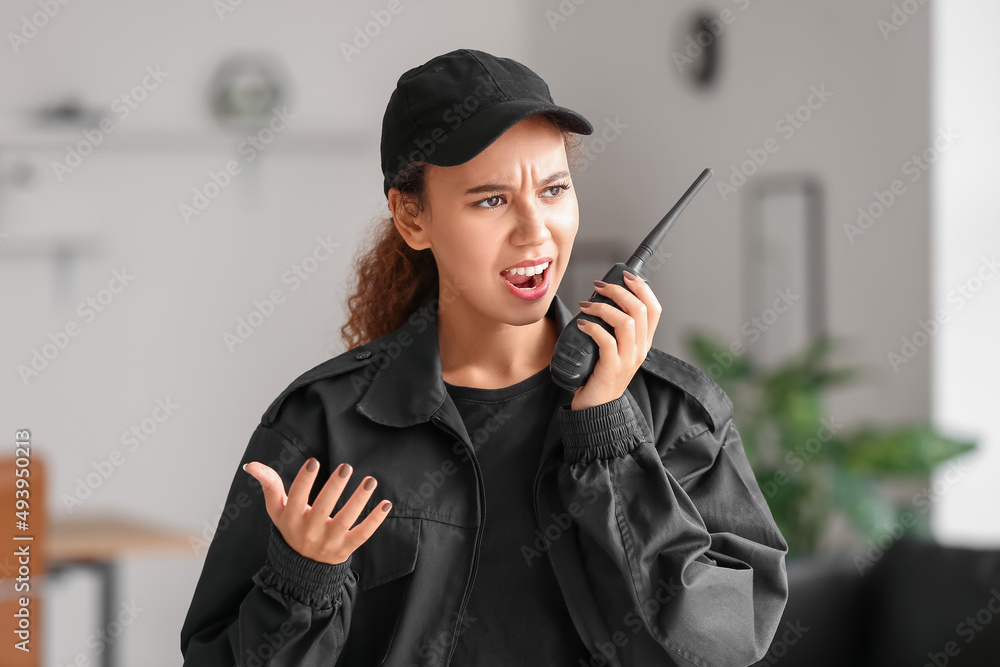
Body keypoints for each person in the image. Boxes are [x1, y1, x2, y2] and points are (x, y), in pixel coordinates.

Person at [180, 48, 788, 667]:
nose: (535, 231)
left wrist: (608, 437)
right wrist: (301, 583)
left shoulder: (670, 413)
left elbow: (724, 644)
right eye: (491, 200)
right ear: (412, 217)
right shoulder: (322, 425)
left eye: (553, 190)